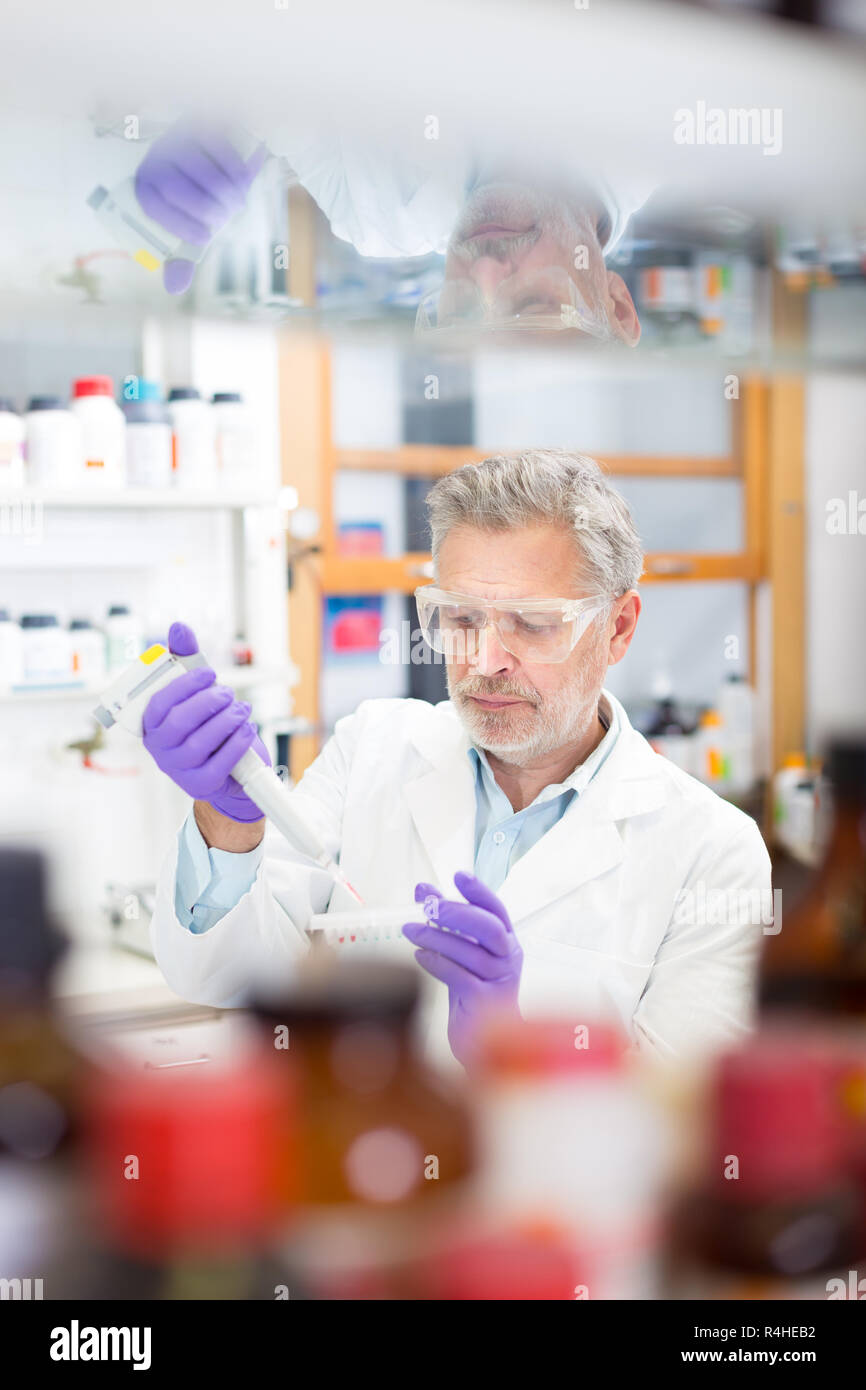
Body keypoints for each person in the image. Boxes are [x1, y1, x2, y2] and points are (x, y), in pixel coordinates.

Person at [144, 450, 771, 1069]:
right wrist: (228, 825)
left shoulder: (713, 853)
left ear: (619, 628)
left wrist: (512, 1048)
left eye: (532, 623)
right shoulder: (374, 747)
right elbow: (227, 978)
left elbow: (683, 1123)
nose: (485, 660)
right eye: (462, 618)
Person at [128, 121, 642, 341]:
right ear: (617, 305)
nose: (482, 268)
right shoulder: (657, 118)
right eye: (534, 306)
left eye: (459, 310)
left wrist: (223, 118)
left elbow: (277, 86)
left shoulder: (382, 214)